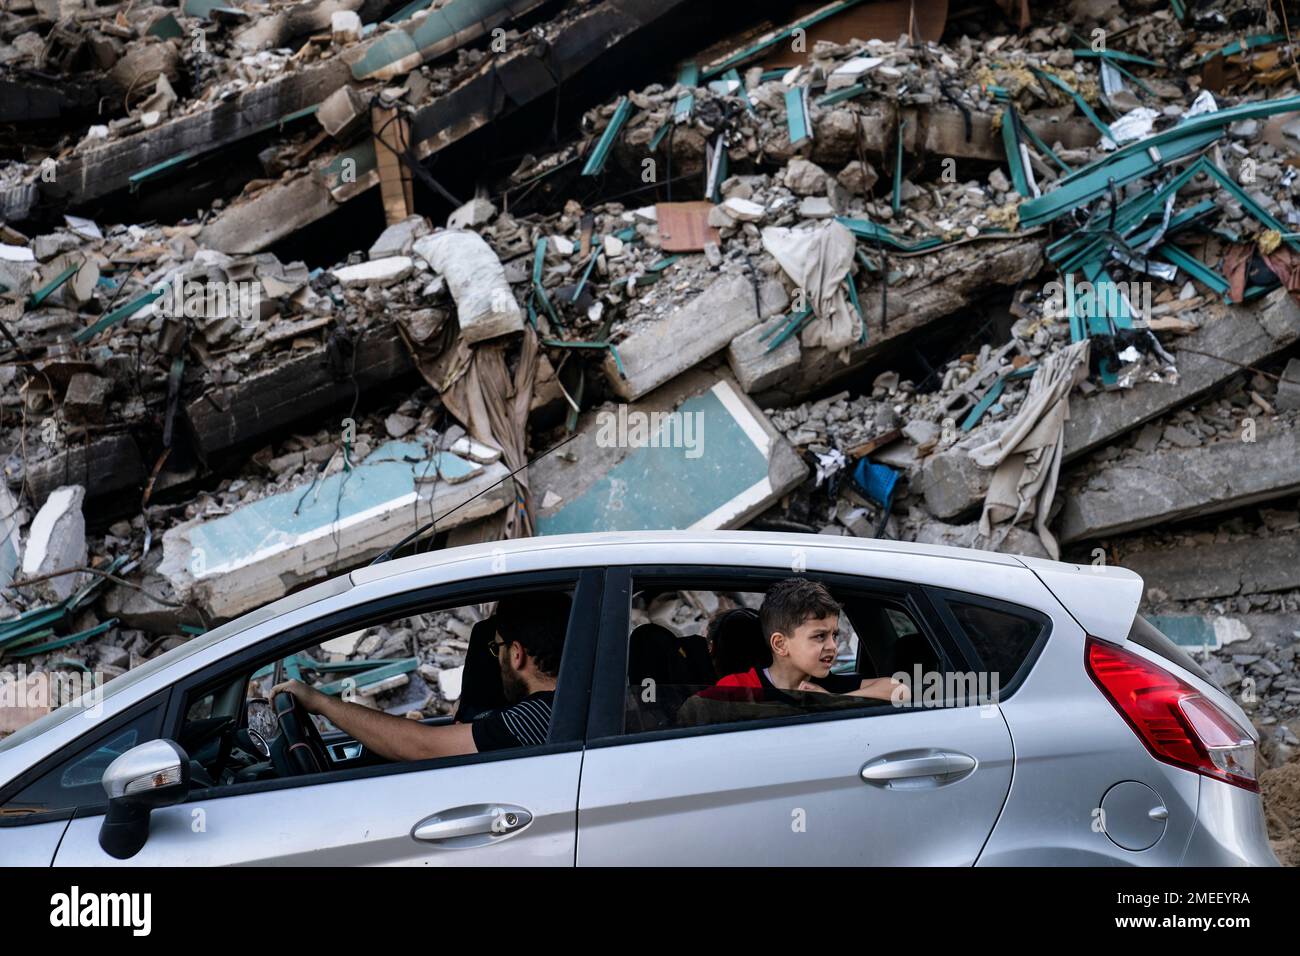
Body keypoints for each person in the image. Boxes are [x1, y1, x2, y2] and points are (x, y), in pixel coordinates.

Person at [271, 591, 570, 763]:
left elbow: (423, 746)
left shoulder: (537, 716)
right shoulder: (561, 707)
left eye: (497, 648)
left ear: (516, 654)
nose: (496, 658)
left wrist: (321, 702)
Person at [703, 578, 907, 705]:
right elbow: (691, 716)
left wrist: (834, 700)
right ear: (780, 645)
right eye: (819, 636)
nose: (833, 646)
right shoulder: (740, 688)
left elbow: (900, 690)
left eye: (834, 635)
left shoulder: (825, 685)